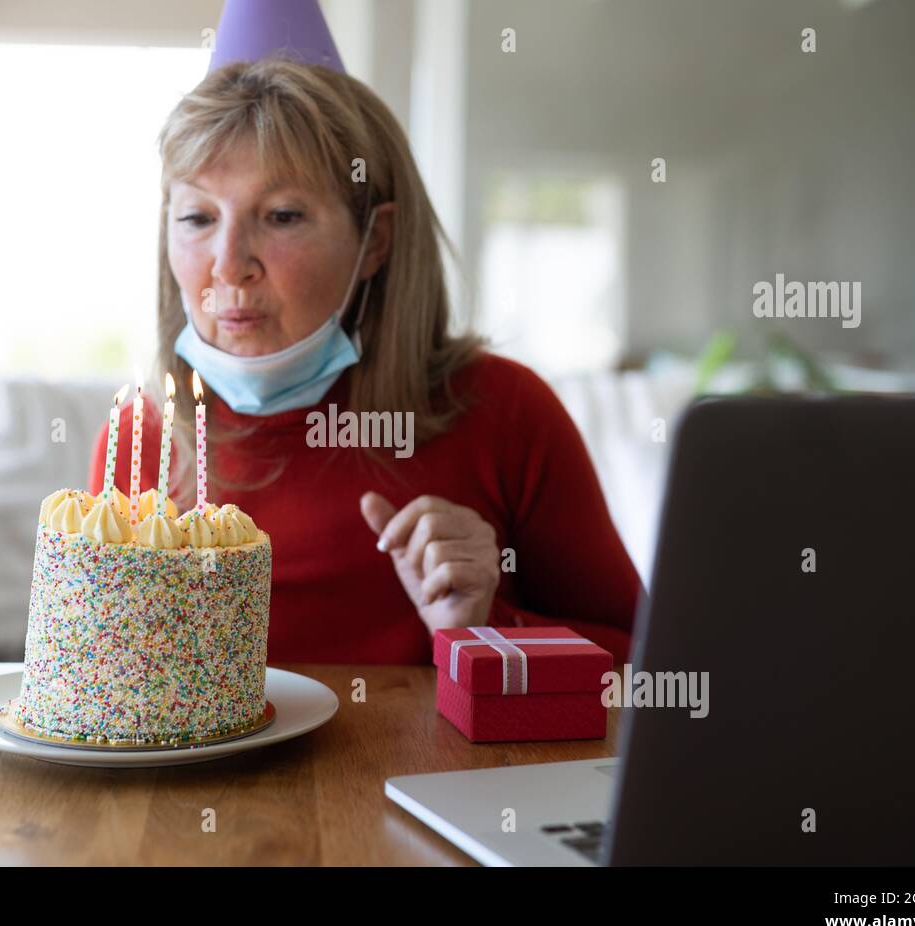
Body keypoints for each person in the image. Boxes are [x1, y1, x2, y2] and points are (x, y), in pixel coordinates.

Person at [88, 50, 642, 667]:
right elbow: (109, 689)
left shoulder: (507, 412)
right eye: (197, 217)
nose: (228, 264)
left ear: (374, 241)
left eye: (282, 216)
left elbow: (641, 668)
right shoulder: (141, 437)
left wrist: (484, 629)